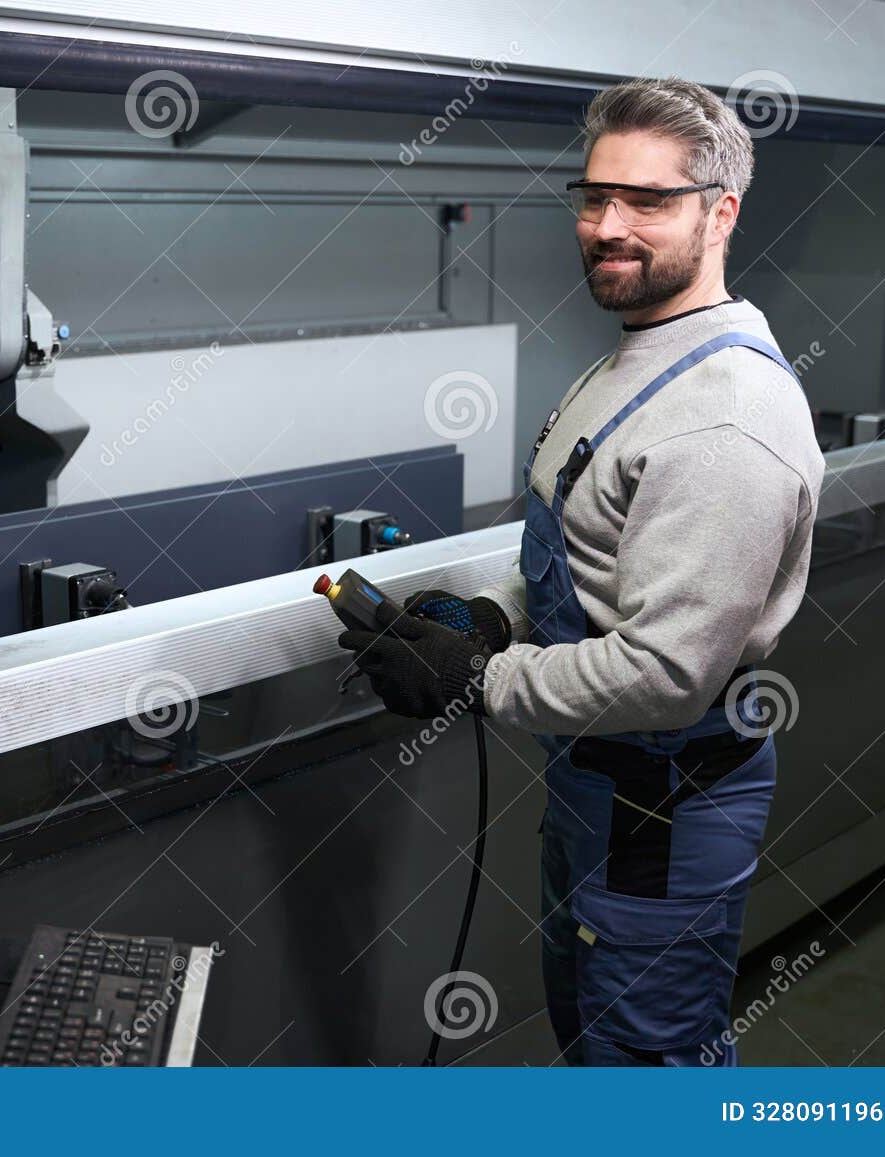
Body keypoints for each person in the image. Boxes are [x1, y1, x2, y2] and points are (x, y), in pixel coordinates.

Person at [337, 76, 825, 1066]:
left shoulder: (727, 415)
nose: (608, 225)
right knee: (593, 1033)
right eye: (594, 196)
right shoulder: (634, 360)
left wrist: (472, 678)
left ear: (719, 211)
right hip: (594, 779)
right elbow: (592, 555)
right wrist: (493, 621)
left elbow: (662, 672)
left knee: (645, 1062)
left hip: (663, 804)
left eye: (648, 201)